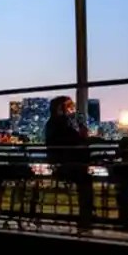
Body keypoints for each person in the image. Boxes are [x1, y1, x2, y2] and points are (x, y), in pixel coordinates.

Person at [43, 96, 94, 230]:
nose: (72, 108)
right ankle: (86, 217)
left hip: (63, 164)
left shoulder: (53, 124)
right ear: (61, 108)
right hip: (68, 166)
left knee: (85, 180)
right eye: (69, 106)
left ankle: (87, 216)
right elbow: (75, 141)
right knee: (86, 182)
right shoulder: (62, 123)